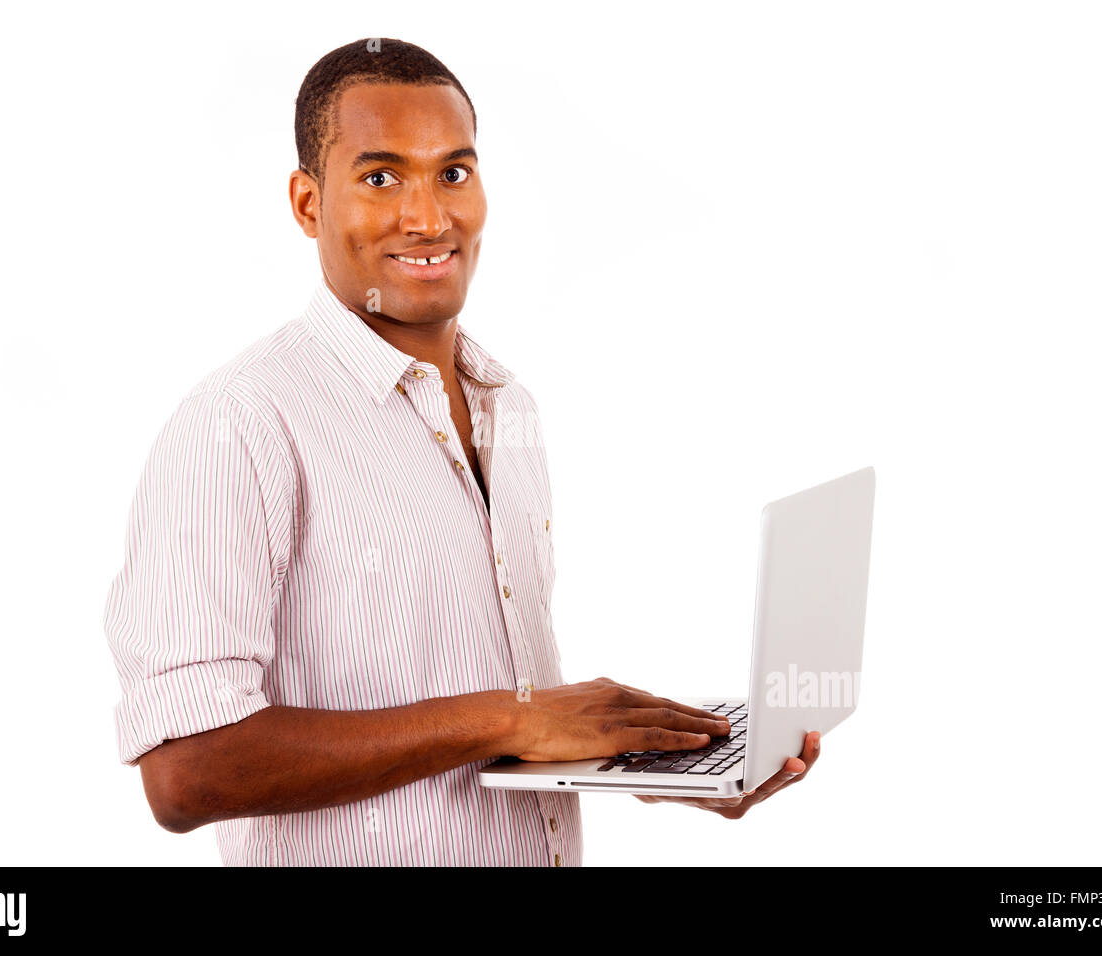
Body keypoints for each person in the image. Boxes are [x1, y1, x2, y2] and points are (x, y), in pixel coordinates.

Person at [102, 37, 818, 867]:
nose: (429, 217)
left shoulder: (506, 406)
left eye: (453, 172)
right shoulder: (241, 424)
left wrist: (649, 758)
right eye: (380, 177)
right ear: (307, 205)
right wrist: (511, 716)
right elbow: (187, 771)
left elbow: (497, 729)